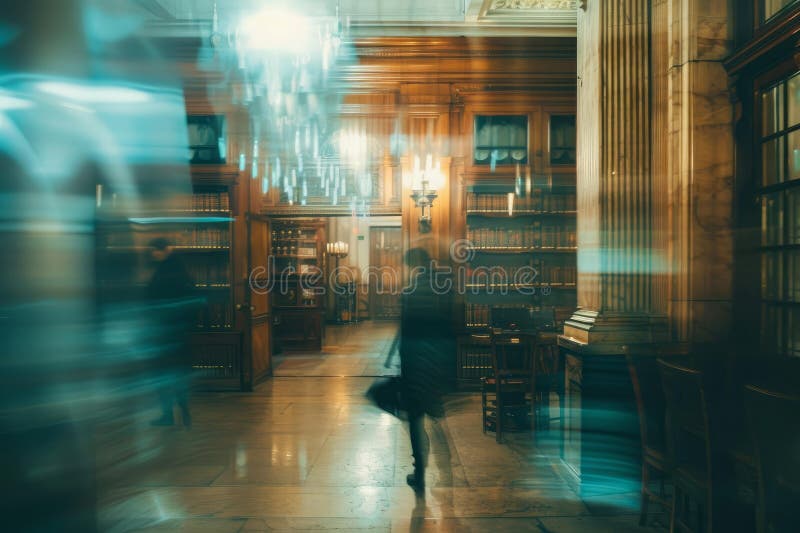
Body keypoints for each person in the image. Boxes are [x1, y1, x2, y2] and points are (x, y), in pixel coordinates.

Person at [399, 247, 455, 493]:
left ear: (413, 265)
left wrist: (403, 363)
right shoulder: (443, 290)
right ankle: (448, 469)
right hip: (435, 360)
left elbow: (406, 332)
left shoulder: (410, 291)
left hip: (415, 362)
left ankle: (420, 471)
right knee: (436, 415)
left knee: (415, 420)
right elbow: (448, 328)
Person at [146, 237, 198, 427]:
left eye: (157, 249)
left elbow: (154, 297)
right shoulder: (179, 270)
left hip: (166, 331)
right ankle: (183, 413)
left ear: (166, 249)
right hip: (177, 331)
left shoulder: (167, 272)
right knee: (176, 374)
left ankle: (170, 414)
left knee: (163, 374)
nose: (154, 253)